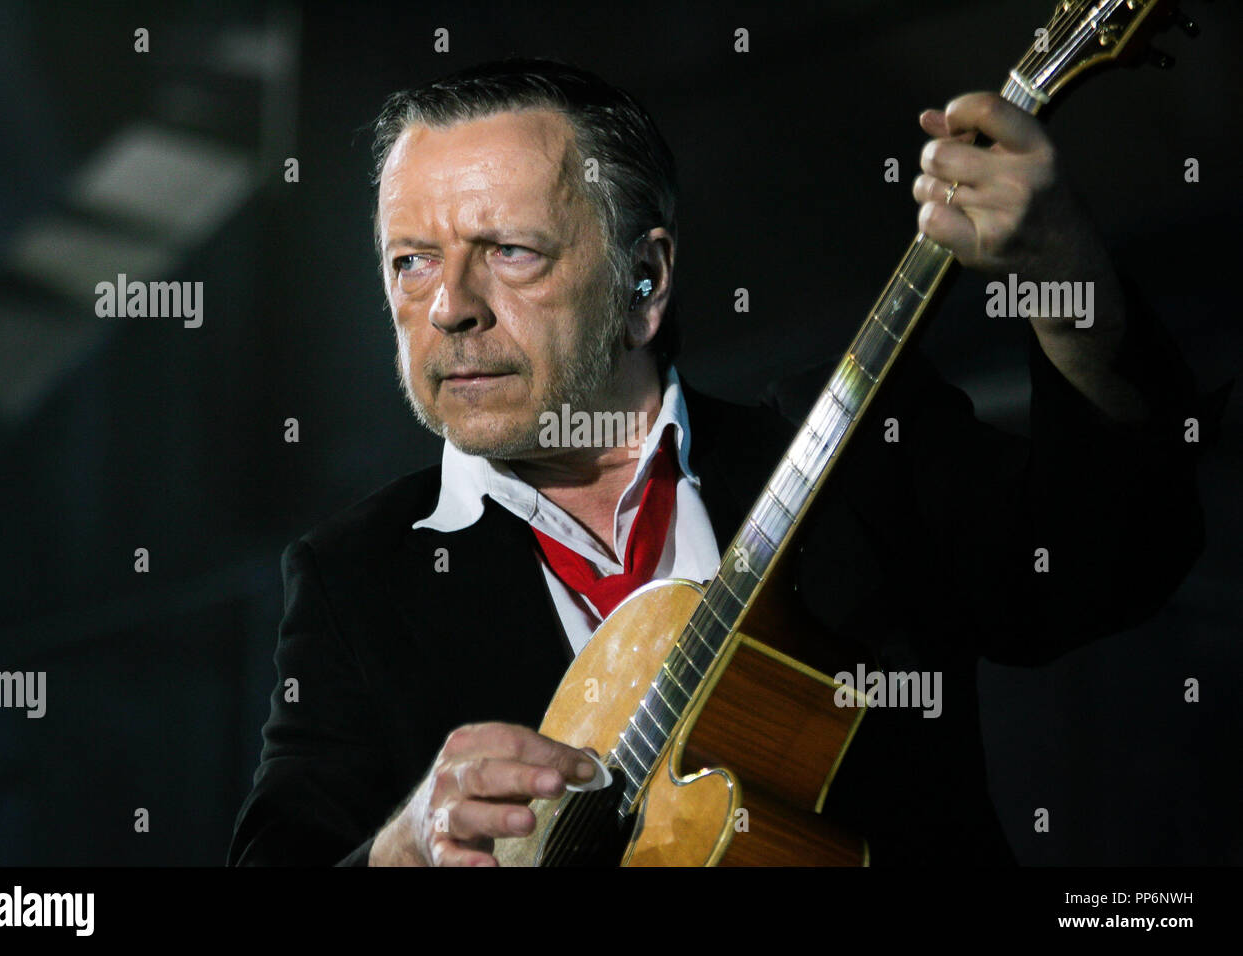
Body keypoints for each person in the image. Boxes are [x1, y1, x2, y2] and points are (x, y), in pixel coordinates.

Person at [228, 57, 1208, 867]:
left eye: (509, 250)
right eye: (412, 260)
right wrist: (404, 846)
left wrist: (1064, 276)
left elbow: (1111, 560)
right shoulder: (357, 576)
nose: (450, 305)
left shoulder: (843, 456)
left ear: (644, 282)